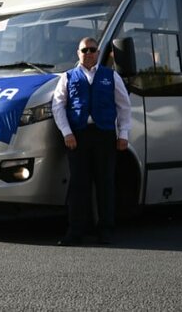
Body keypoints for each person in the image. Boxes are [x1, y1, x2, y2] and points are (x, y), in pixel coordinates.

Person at [51, 37, 132, 245]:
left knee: (105, 183)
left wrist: (123, 134)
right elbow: (58, 106)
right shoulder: (68, 77)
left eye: (92, 50)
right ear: (78, 53)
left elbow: (124, 105)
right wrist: (67, 133)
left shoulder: (111, 76)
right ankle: (75, 231)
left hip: (104, 135)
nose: (88, 53)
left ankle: (105, 230)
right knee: (79, 185)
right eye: (84, 50)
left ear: (98, 52)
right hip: (78, 136)